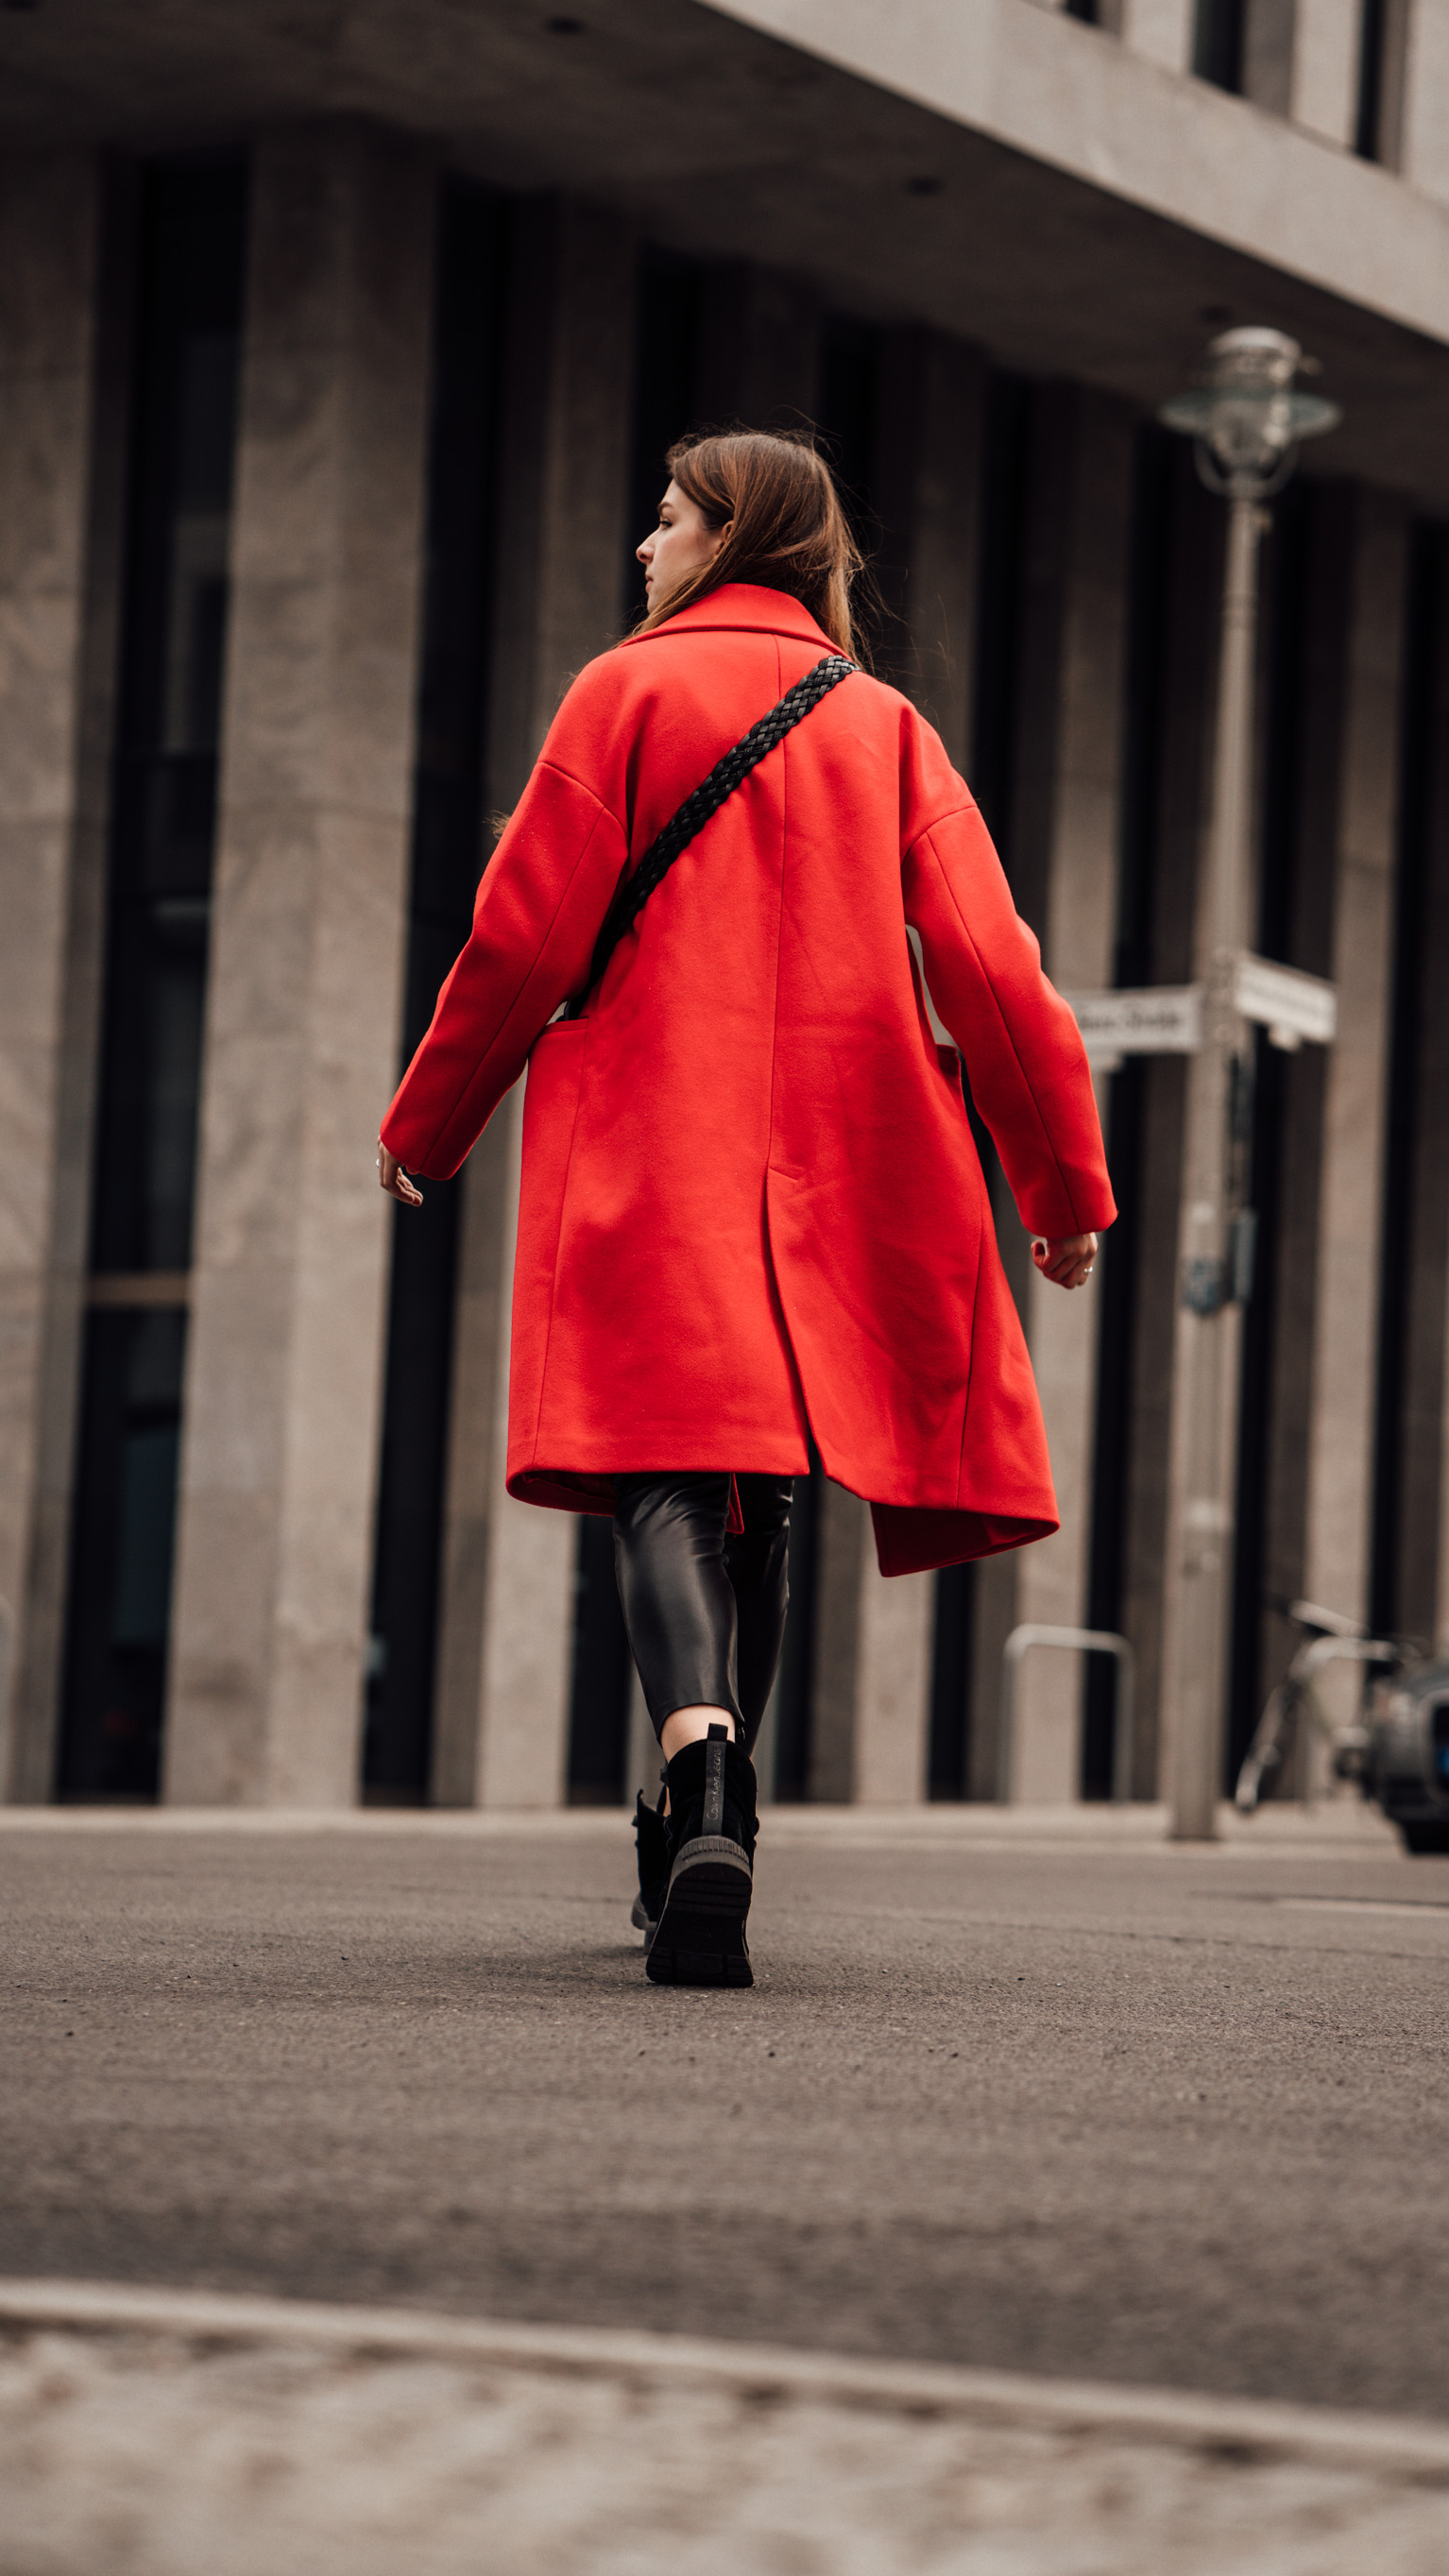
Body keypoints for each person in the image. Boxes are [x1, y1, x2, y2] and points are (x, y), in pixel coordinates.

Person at [377, 428, 1115, 1989]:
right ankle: (708, 1830)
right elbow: (995, 970)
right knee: (761, 1499)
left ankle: (698, 1765)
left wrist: (432, 1123)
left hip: (655, 1146)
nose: (642, 546)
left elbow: (518, 941)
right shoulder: (888, 729)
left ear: (733, 537)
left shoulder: (621, 693)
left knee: (663, 1475)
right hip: (843, 1167)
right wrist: (1061, 1188)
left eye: (665, 517)